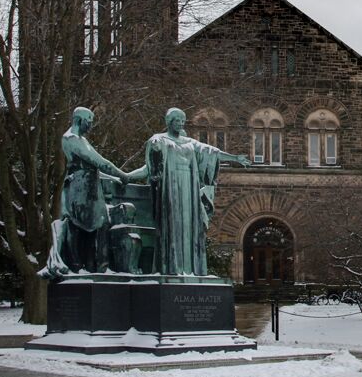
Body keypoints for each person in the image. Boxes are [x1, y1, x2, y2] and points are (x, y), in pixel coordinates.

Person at [139, 107, 250, 275]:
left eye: (183, 121)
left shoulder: (190, 143)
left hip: (189, 189)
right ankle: (172, 267)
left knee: (191, 225)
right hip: (171, 188)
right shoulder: (159, 140)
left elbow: (212, 152)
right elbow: (151, 167)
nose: (180, 124)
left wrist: (235, 158)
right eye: (177, 121)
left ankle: (191, 269)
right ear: (169, 122)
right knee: (173, 223)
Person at [42, 107, 133, 276]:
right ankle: (82, 266)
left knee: (100, 224)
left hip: (89, 186)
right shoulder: (71, 138)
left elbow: (94, 167)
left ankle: (97, 266)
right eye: (88, 121)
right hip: (80, 188)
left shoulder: (82, 140)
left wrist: (115, 179)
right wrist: (122, 174)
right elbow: (98, 161)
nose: (91, 125)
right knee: (80, 225)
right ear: (79, 120)